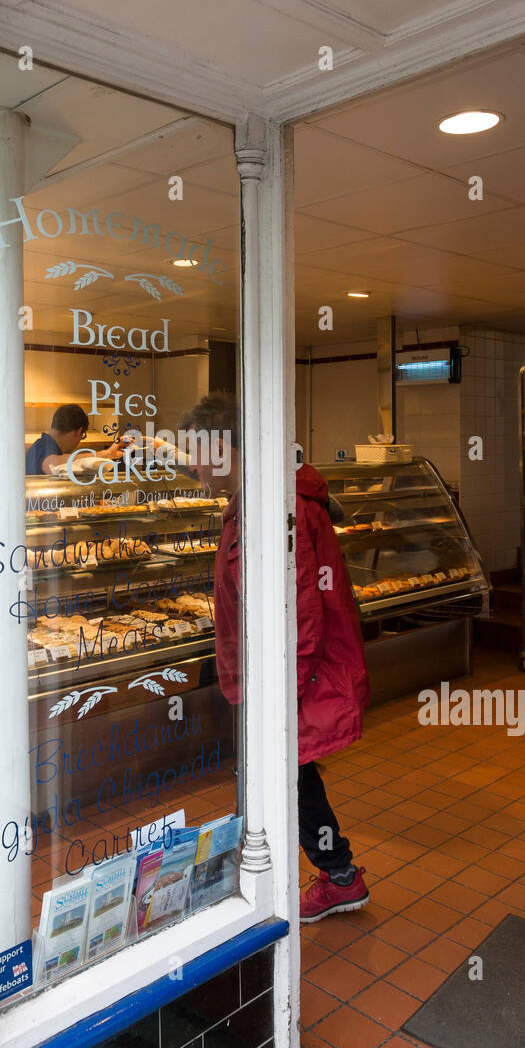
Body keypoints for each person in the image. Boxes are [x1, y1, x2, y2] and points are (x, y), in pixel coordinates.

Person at [180, 391, 371, 922]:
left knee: (282, 777)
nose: (192, 464)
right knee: (291, 777)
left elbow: (303, 611)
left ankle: (317, 877)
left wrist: (282, 691)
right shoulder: (255, 502)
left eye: (198, 452)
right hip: (274, 677)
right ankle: (330, 874)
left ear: (226, 450)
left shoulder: (277, 508)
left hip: (287, 680)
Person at [25, 404, 125, 476]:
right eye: (82, 436)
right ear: (78, 431)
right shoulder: (43, 447)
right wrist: (107, 453)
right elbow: (52, 464)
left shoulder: (42, 445)